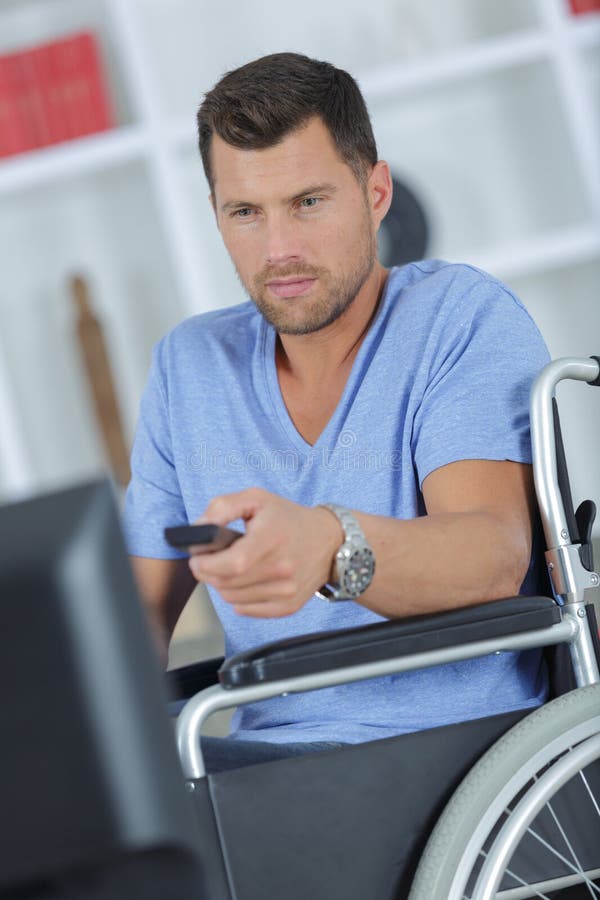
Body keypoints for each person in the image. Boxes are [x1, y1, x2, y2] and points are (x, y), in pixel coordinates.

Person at [124, 52, 550, 772]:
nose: (279, 249)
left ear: (375, 191)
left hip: (448, 755)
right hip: (269, 767)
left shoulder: (460, 317)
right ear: (217, 216)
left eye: (309, 202)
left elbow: (492, 556)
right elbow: (133, 623)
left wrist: (328, 542)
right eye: (246, 213)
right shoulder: (187, 369)